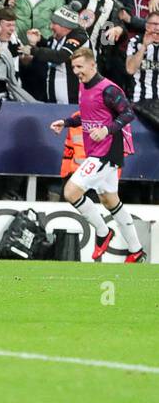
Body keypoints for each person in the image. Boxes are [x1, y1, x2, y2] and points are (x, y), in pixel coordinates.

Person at [50, 47, 145, 263]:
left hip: (107, 152)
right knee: (110, 200)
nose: (76, 71)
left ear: (93, 65)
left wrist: (107, 130)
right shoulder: (84, 87)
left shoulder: (109, 89)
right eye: (73, 67)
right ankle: (136, 249)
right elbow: (87, 116)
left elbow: (128, 113)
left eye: (80, 66)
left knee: (71, 192)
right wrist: (66, 123)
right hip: (96, 150)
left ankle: (103, 233)